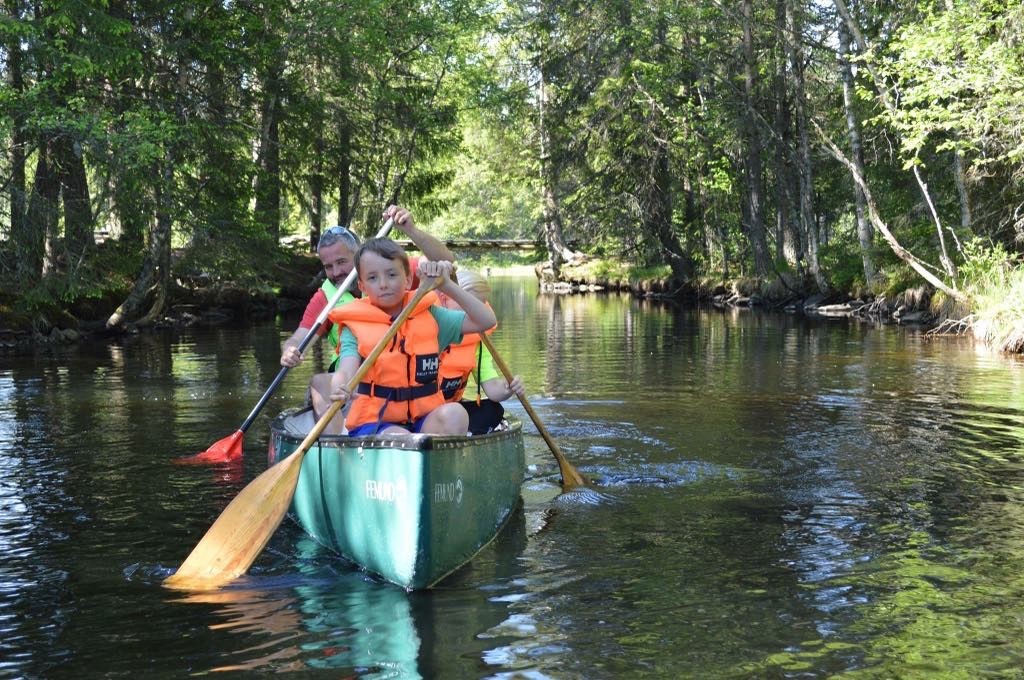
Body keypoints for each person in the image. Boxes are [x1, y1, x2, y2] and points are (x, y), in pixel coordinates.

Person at [279, 205, 454, 432]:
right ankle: (335, 446)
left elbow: (447, 262)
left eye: (342, 262)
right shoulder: (325, 298)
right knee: (320, 382)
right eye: (328, 266)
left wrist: (411, 230)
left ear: (359, 255)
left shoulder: (394, 271)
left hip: (403, 381)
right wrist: (289, 350)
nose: (336, 272)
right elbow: (300, 339)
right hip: (353, 384)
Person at [327, 238, 497, 436]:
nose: (383, 284)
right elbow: (347, 369)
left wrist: (447, 285)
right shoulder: (354, 326)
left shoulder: (431, 316)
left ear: (407, 279)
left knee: (456, 414)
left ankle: (437, 462)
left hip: (423, 420)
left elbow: (486, 321)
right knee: (400, 438)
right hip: (376, 424)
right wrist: (340, 385)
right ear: (362, 286)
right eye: (372, 278)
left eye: (391, 275)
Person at [437, 269, 524, 435]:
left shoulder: (477, 341)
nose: (475, 312)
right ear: (445, 299)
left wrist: (508, 387)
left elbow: (492, 389)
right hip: (423, 412)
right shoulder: (426, 327)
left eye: (480, 305)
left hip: (454, 410)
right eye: (468, 303)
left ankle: (464, 435)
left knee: (493, 410)